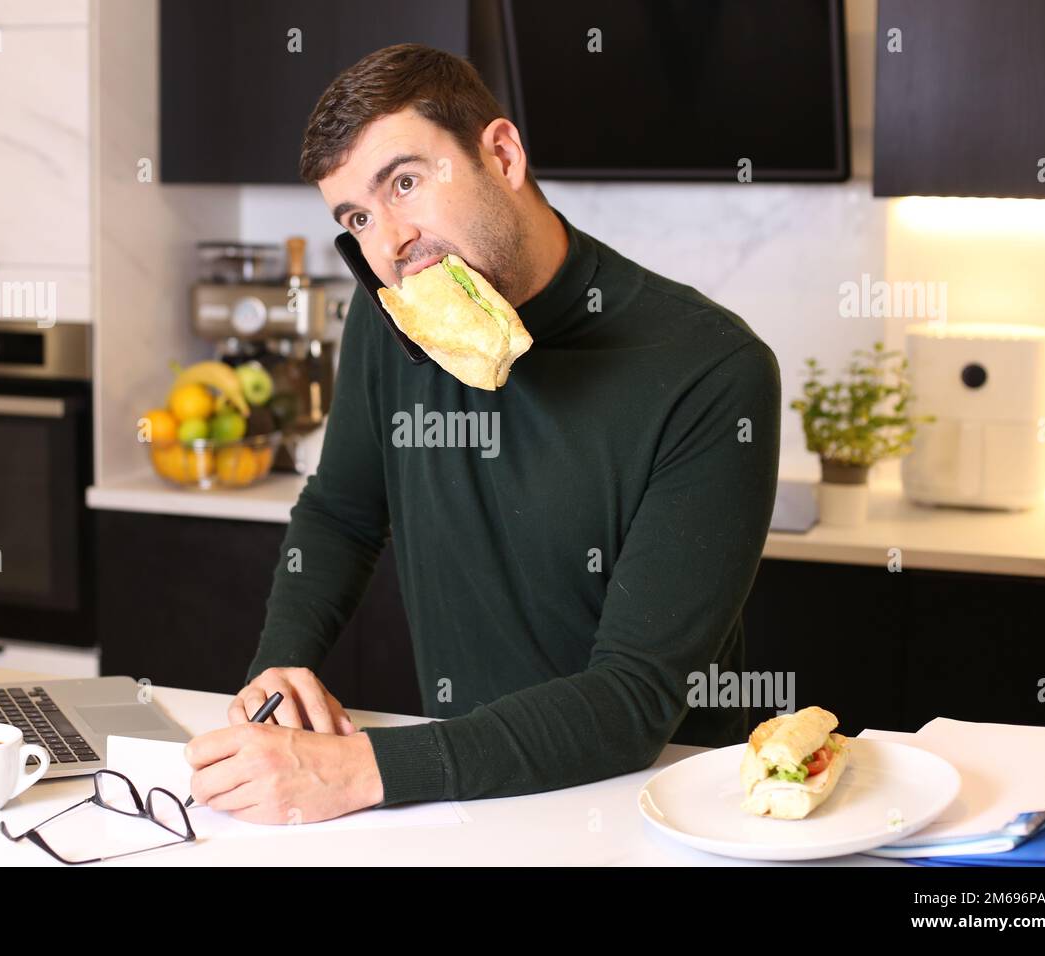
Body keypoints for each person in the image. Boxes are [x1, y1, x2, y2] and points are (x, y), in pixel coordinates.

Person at [184, 43, 781, 824]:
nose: (391, 242)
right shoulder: (388, 315)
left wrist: (360, 770)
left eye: (405, 182)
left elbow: (634, 701)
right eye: (358, 217)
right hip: (467, 790)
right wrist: (279, 667)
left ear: (502, 154)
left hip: (658, 809)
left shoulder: (712, 369)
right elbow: (341, 512)